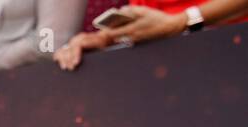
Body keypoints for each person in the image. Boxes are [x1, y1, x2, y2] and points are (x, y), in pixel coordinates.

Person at [55, 0, 248, 69]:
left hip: (229, 58)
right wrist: (106, 38)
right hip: (164, 67)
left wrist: (184, 21)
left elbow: (172, 22)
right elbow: (146, 15)